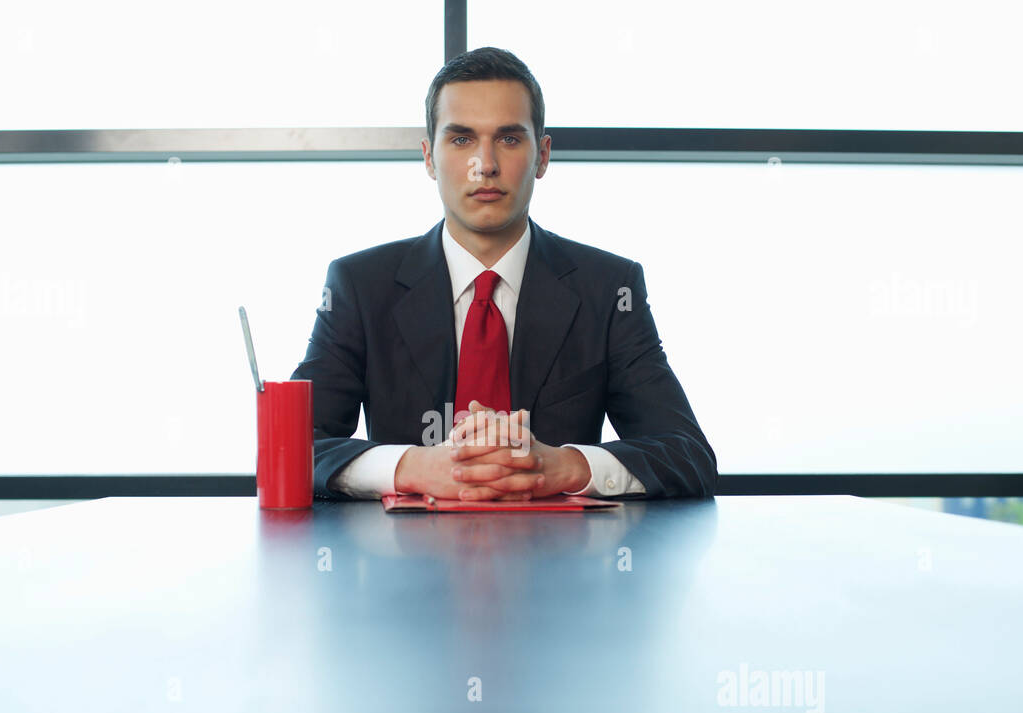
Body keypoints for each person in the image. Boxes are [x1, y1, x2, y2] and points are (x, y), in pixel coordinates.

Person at [292, 47, 716, 501]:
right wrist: (412, 467)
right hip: (407, 564)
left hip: (561, 564)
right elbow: (293, 446)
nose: (485, 164)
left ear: (543, 155)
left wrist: (565, 467)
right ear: (429, 158)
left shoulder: (609, 289)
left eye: (510, 139)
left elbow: (687, 454)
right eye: (461, 140)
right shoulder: (360, 286)